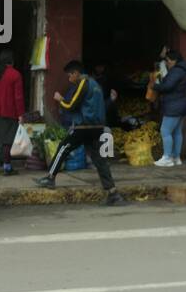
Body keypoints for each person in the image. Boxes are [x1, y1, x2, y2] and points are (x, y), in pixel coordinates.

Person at [37, 60, 125, 206]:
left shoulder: (83, 83)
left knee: (63, 147)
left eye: (70, 75)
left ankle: (50, 178)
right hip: (97, 127)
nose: (69, 78)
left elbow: (71, 105)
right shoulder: (96, 85)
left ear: (76, 73)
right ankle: (113, 192)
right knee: (99, 160)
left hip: (84, 127)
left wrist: (60, 100)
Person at [0, 49, 25, 176]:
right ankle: (7, 168)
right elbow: (18, 97)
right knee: (7, 141)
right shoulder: (15, 75)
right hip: (9, 112)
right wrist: (21, 114)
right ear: (11, 61)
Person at [153, 46, 186, 167]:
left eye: (168, 61)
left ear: (174, 61)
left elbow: (167, 86)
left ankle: (167, 157)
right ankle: (176, 157)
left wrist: (155, 86)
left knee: (165, 130)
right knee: (177, 132)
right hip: (181, 105)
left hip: (174, 105)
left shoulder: (176, 71)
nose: (168, 63)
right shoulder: (182, 69)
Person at [92, 61, 120, 126]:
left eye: (102, 67)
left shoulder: (106, 77)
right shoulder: (91, 83)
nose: (100, 69)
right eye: (98, 67)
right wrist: (110, 100)